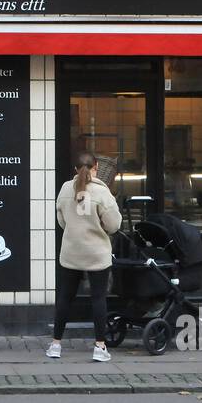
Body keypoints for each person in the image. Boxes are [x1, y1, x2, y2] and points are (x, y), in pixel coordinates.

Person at [51, 150, 121, 362]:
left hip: (71, 252)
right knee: (98, 299)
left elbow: (62, 221)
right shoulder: (102, 193)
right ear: (96, 167)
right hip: (96, 253)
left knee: (65, 297)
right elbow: (114, 224)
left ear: (75, 169)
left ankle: (55, 344)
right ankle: (100, 347)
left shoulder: (65, 189)